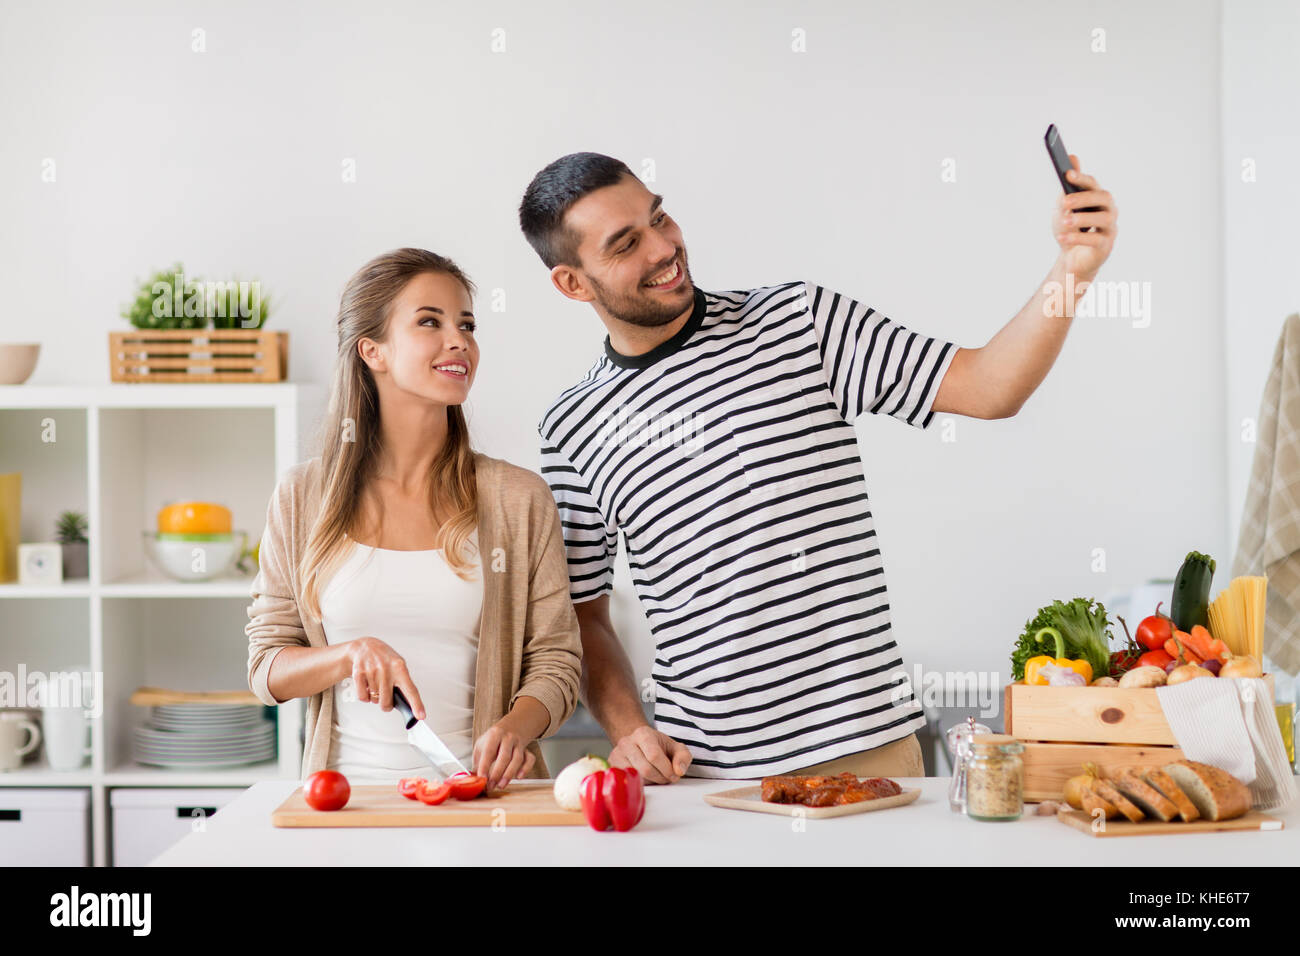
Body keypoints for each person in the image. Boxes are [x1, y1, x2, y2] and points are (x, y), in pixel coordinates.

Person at [519, 152, 1117, 781]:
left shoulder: (799, 322)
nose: (664, 247)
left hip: (867, 755)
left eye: (659, 217)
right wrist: (628, 727)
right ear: (573, 283)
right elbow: (584, 615)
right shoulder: (572, 428)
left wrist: (1072, 271)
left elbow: (991, 387)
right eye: (626, 243)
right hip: (705, 780)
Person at [245, 248, 582, 791]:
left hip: (484, 801)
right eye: (431, 321)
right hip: (345, 805)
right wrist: (346, 656)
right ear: (372, 350)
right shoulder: (302, 496)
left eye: (466, 324)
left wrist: (517, 729)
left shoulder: (518, 498)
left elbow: (557, 661)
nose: (460, 341)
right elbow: (266, 669)